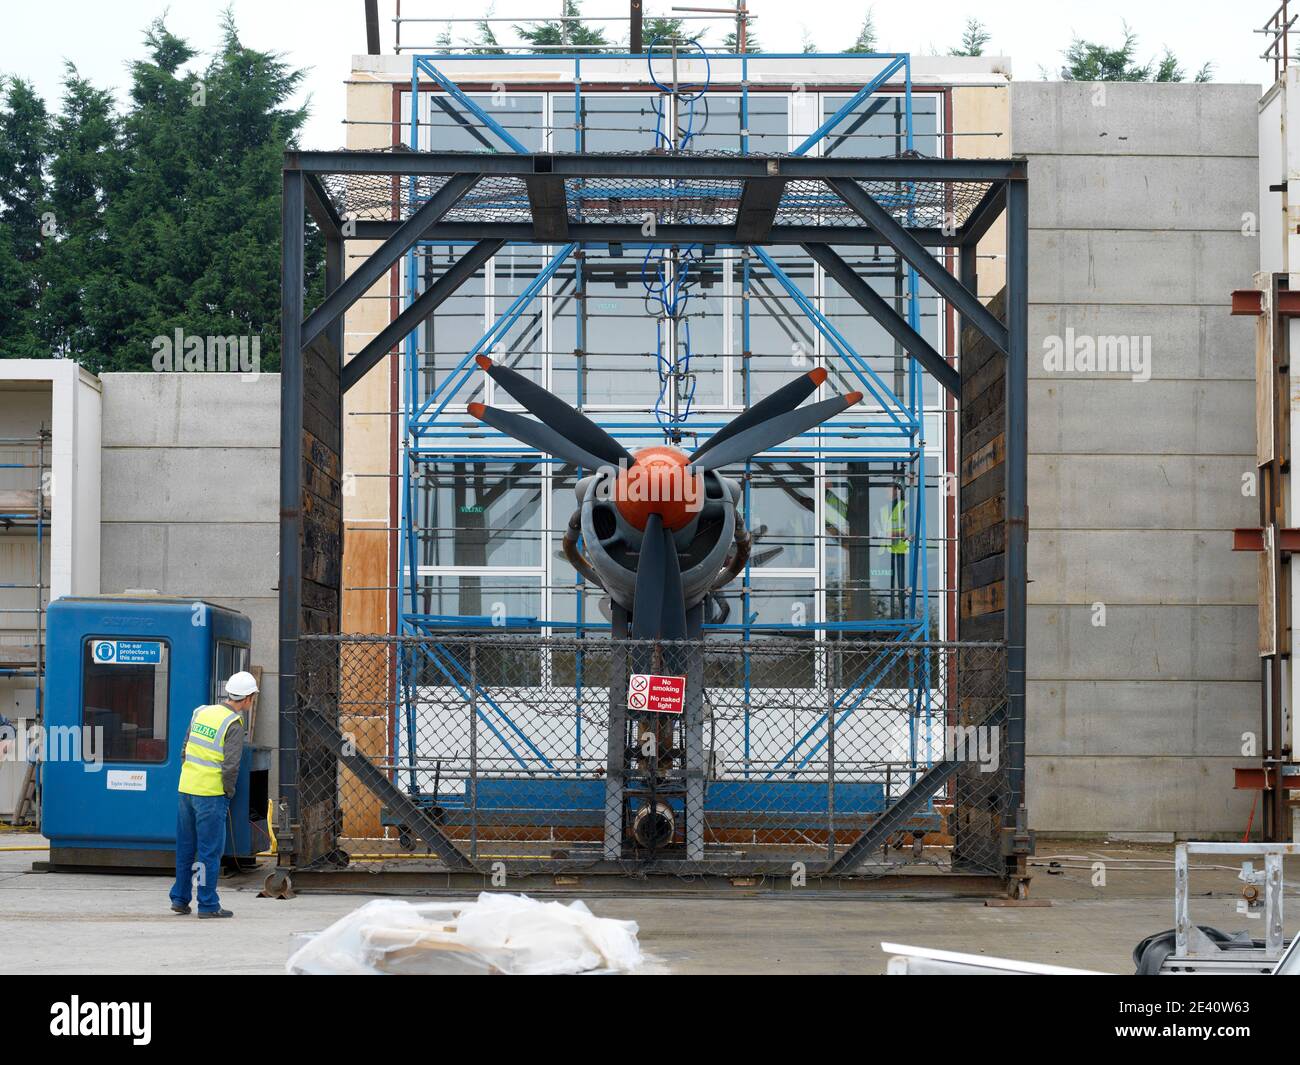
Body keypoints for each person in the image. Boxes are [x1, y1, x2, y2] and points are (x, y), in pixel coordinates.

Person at [168, 671, 258, 918]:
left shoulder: (201, 712)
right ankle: (207, 904)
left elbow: (184, 748)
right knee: (209, 851)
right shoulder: (234, 724)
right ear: (248, 698)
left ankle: (180, 897)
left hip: (186, 789)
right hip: (210, 794)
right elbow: (231, 766)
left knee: (186, 847)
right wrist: (228, 792)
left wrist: (191, 775)